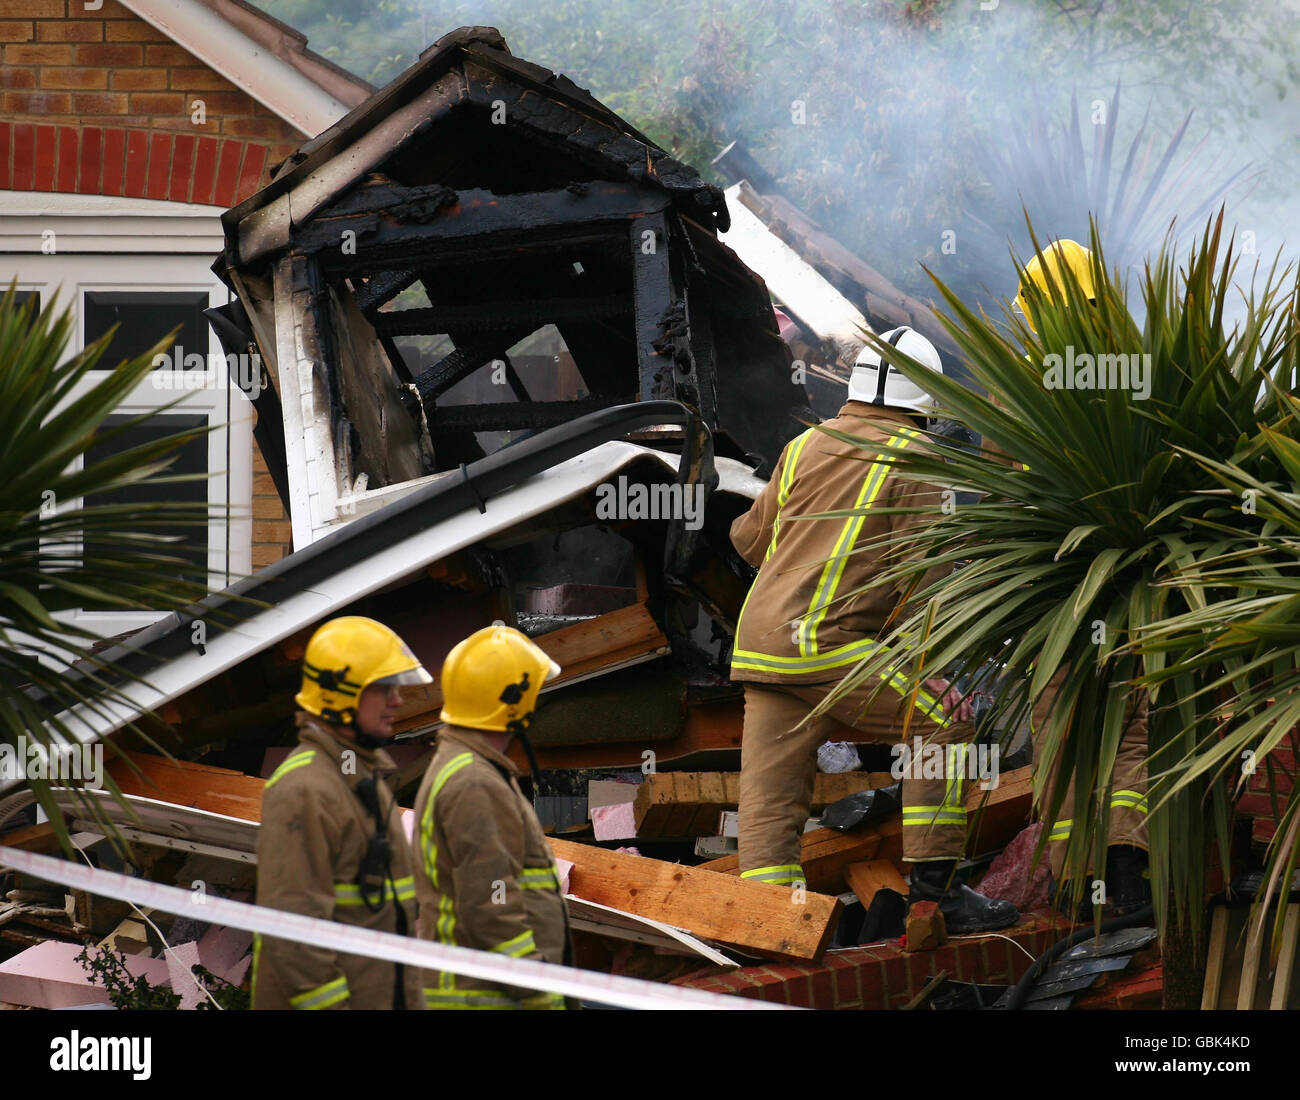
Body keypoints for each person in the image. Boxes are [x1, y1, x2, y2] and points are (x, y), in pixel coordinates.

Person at [730, 326, 1018, 933]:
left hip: (760, 647)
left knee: (770, 806)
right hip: (825, 644)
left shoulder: (805, 445)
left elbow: (748, 541)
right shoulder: (917, 458)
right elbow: (927, 587)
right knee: (947, 716)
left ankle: (773, 929)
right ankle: (937, 897)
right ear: (926, 402)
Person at [1010, 240, 1151, 915]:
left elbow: (1005, 491)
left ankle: (1072, 890)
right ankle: (1130, 876)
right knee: (1132, 724)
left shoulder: (1020, 383)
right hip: (1135, 587)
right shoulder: (1138, 365)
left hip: (1049, 593)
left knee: (1060, 728)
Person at [252, 616, 430, 1010]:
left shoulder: (360, 780)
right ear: (340, 694)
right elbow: (295, 943)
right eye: (384, 689)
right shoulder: (304, 790)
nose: (398, 700)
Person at [413, 623, 572, 1009]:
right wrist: (540, 995)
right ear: (514, 700)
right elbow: (490, 906)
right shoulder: (473, 782)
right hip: (481, 997)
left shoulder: (467, 768)